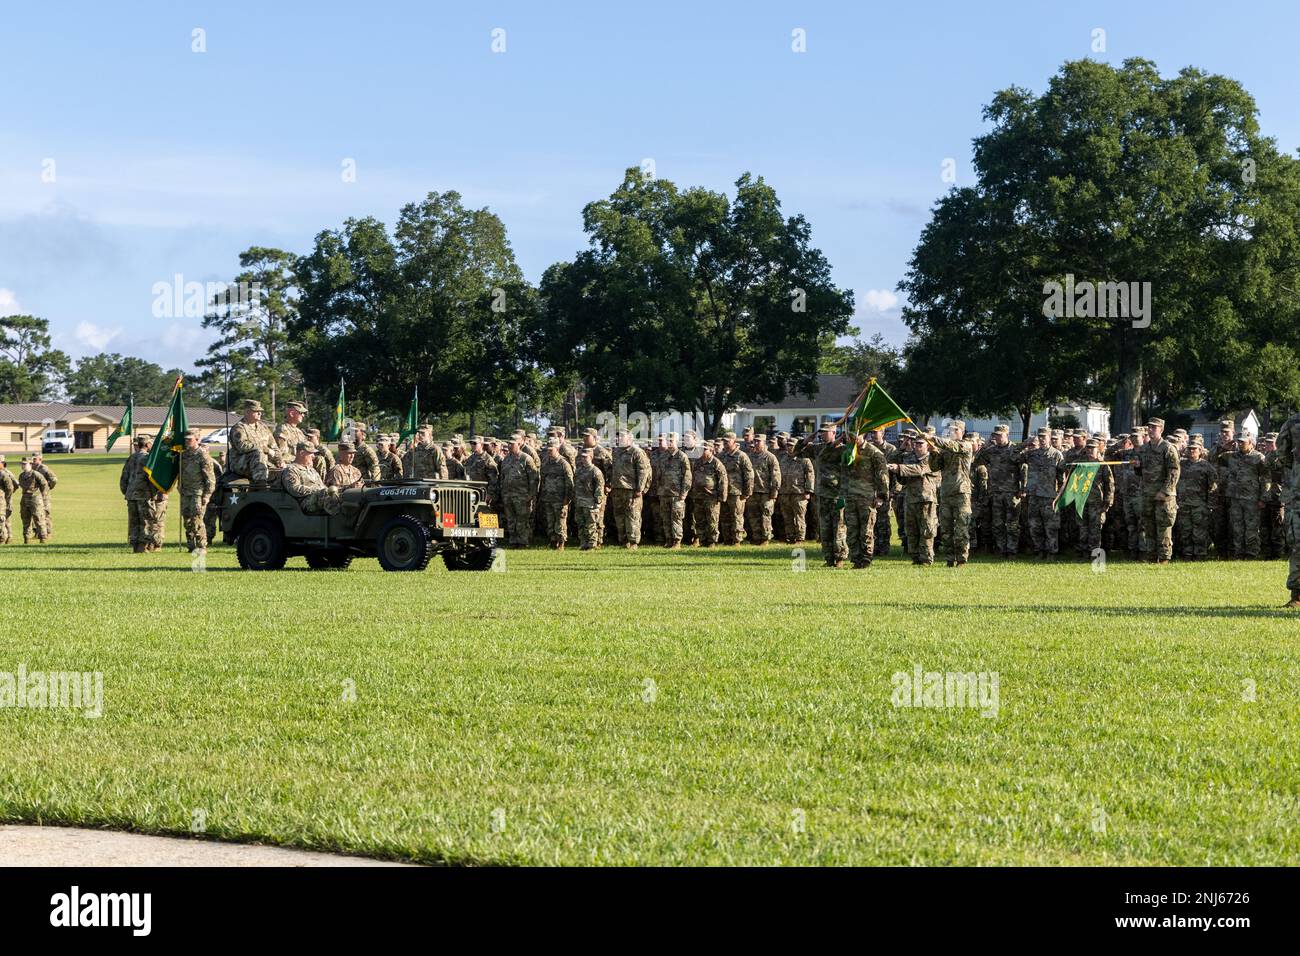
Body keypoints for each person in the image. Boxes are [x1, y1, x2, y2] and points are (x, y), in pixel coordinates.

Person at [927, 420, 975, 567]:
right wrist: (934, 453)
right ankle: (949, 559)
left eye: (955, 430)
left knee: (961, 529)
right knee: (946, 530)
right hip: (946, 492)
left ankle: (961, 559)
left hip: (961, 493)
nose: (952, 432)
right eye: (950, 430)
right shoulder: (945, 449)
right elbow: (934, 467)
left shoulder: (965, 445)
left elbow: (952, 445)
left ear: (962, 431)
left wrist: (932, 438)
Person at [889, 431, 941, 566]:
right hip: (910, 498)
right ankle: (915, 557)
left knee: (926, 530)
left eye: (920, 444)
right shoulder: (909, 457)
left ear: (928, 446)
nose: (917, 447)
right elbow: (891, 460)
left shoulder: (932, 459)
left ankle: (926, 558)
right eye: (915, 444)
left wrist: (899, 468)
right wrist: (901, 448)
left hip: (926, 500)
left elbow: (919, 469)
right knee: (911, 530)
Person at [1132, 417, 1180, 564]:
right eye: (1149, 427)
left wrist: (1165, 491)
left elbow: (1174, 472)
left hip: (1163, 496)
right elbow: (1141, 473)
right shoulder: (1144, 449)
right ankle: (1152, 558)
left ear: (1161, 429)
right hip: (1147, 494)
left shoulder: (1168, 448)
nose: (1151, 430)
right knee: (1149, 526)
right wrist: (1137, 466)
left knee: (1164, 527)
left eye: (1154, 427)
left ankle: (1164, 558)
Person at [838, 431, 889, 569]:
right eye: (850, 436)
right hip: (850, 496)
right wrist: (841, 496)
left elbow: (882, 476)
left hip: (867, 498)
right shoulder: (848, 452)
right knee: (852, 530)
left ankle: (866, 559)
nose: (852, 439)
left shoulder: (874, 453)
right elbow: (843, 476)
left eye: (855, 436)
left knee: (866, 531)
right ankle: (856, 559)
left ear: (863, 436)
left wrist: (881, 496)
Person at [1224, 433, 1269, 560]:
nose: (1240, 444)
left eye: (1243, 442)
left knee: (1251, 527)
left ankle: (1251, 553)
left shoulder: (1258, 457)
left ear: (1251, 443)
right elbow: (1213, 458)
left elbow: (1266, 478)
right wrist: (1225, 447)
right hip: (1235, 497)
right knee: (1237, 527)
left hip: (1252, 498)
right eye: (1239, 442)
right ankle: (1239, 552)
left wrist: (1263, 498)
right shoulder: (1232, 456)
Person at [1175, 435, 1216, 560]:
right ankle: (1187, 554)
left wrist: (1210, 505)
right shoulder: (1181, 464)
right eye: (1190, 449)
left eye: (1194, 449)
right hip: (1184, 504)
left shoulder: (1207, 466)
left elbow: (1213, 487)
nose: (1192, 451)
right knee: (1185, 531)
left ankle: (1200, 554)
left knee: (1199, 532)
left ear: (1200, 451)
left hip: (1200, 504)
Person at [609, 429, 652, 549]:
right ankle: (623, 540)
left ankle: (633, 542)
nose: (620, 439)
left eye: (622, 436)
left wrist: (640, 489)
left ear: (630, 438)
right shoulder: (616, 452)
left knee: (633, 516)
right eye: (619, 437)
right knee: (619, 516)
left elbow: (643, 472)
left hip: (631, 490)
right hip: (617, 488)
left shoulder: (637, 452)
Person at [499, 432, 540, 548]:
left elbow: (534, 478)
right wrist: (503, 492)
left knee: (522, 520)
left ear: (519, 444)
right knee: (511, 519)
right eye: (509, 444)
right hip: (508, 495)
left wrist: (531, 495)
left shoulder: (526, 459)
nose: (510, 446)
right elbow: (502, 477)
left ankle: (522, 542)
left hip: (522, 495)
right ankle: (513, 541)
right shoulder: (506, 460)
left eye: (512, 444)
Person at [179, 429, 217, 552]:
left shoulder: (203, 456)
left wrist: (207, 495)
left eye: (190, 439)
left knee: (197, 520)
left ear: (197, 439)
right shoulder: (183, 455)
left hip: (198, 493)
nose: (187, 441)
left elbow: (210, 478)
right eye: (186, 439)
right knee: (187, 520)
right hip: (185, 492)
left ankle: (201, 546)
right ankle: (191, 545)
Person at [228, 399, 281, 482]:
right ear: (247, 412)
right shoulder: (239, 428)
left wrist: (279, 460)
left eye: (260, 411)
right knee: (258, 453)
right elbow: (243, 446)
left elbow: (274, 447)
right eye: (256, 411)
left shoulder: (263, 428)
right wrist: (266, 449)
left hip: (263, 463)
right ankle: (261, 485)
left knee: (284, 472)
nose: (260, 413)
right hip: (242, 464)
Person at [282, 442, 342, 515]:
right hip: (305, 501)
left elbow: (321, 485)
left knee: (341, 495)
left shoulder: (311, 470)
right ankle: (340, 519)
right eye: (311, 453)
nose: (313, 456)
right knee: (326, 493)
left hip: (318, 497)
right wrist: (316, 490)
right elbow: (294, 488)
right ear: (302, 453)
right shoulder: (291, 469)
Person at [717, 430, 754, 546]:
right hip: (723, 492)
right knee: (724, 517)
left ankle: (737, 540)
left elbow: (749, 475)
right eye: (724, 441)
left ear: (734, 441)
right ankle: (727, 540)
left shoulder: (741, 456)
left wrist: (747, 492)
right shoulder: (721, 456)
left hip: (737, 492)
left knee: (736, 517)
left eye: (728, 441)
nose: (725, 443)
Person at [778, 433, 815, 544]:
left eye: (791, 445)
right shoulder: (783, 459)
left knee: (799, 517)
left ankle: (800, 538)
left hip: (799, 493)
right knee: (787, 516)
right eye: (788, 445)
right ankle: (790, 537)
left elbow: (810, 475)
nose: (789, 447)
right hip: (785, 492)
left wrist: (808, 491)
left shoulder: (804, 459)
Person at [689, 441, 728, 547]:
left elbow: (723, 481)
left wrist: (721, 497)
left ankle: (711, 541)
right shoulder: (697, 463)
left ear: (711, 450)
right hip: (698, 496)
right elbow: (692, 477)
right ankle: (702, 540)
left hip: (711, 497)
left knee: (712, 520)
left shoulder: (716, 463)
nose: (702, 451)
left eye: (704, 449)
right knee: (699, 520)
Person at [656, 432, 691, 549]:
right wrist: (659, 489)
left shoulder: (682, 456)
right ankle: (668, 539)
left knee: (676, 518)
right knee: (665, 518)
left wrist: (684, 493)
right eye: (668, 440)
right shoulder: (663, 456)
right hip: (664, 492)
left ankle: (677, 541)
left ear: (677, 442)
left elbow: (687, 476)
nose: (670, 443)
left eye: (672, 441)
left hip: (677, 494)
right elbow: (659, 475)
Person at [744, 434, 781, 545]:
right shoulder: (749, 456)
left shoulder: (770, 457)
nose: (755, 443)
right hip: (752, 492)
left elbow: (776, 476)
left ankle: (765, 539)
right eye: (754, 441)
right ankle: (756, 537)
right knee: (753, 516)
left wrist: (774, 492)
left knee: (765, 516)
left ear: (764, 443)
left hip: (766, 492)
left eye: (758, 442)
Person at [538, 440, 575, 549]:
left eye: (551, 450)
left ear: (557, 450)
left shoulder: (563, 463)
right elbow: (543, 478)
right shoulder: (545, 462)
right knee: (550, 520)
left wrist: (567, 498)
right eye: (548, 450)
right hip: (548, 497)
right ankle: (553, 541)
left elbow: (570, 482)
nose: (549, 452)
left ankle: (561, 542)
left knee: (560, 521)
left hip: (560, 498)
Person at [573, 447, 606, 551]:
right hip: (580, 501)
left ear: (591, 457)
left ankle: (592, 544)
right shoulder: (579, 470)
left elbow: (599, 488)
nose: (583, 459)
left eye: (585, 457)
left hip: (590, 502)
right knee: (581, 524)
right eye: (582, 457)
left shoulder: (595, 471)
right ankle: (583, 543)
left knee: (591, 525)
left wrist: (598, 502)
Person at [18, 458, 48, 544]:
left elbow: (44, 484)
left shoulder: (36, 474)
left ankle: (43, 538)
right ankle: (26, 539)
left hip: (35, 499)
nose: (23, 466)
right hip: (24, 498)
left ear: (30, 464)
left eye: (25, 464)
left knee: (38, 518)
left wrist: (43, 496)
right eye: (22, 464)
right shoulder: (21, 475)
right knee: (25, 519)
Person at [30, 450, 56, 539]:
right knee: (36, 513)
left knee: (45, 513)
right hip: (35, 495)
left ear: (40, 459)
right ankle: (37, 533)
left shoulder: (44, 468)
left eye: (35, 459)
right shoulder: (32, 468)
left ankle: (48, 533)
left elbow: (54, 479)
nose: (33, 460)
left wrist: (47, 488)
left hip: (44, 495)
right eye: (32, 458)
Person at [0, 455, 16, 544]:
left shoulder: (6, 473)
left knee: (5, 519)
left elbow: (14, 485)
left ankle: (6, 537)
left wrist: (7, 496)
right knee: (5, 519)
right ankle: (8, 537)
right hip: (3, 499)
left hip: (5, 499)